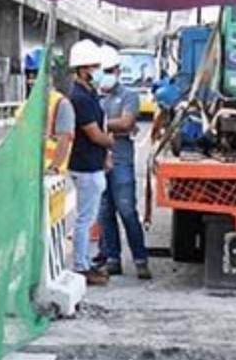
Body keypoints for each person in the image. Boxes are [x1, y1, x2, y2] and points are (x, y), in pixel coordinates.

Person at [93, 45, 152, 280]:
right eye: (100, 70)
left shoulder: (128, 95)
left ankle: (140, 260)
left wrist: (96, 126)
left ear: (117, 70)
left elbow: (127, 123)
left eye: (108, 70)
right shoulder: (94, 96)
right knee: (105, 213)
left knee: (126, 210)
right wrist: (105, 126)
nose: (104, 74)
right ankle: (113, 259)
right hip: (98, 162)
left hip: (121, 161)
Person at [66, 40, 115, 286]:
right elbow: (95, 134)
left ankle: (84, 263)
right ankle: (81, 266)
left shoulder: (89, 94)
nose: (100, 73)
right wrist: (111, 143)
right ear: (84, 69)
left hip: (92, 163)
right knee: (85, 220)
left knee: (87, 217)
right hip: (85, 165)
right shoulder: (80, 98)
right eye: (96, 67)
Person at [19, 48, 74, 175]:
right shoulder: (25, 106)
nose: (31, 81)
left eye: (36, 75)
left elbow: (64, 141)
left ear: (50, 76)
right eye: (30, 75)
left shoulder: (61, 104)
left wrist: (53, 169)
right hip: (27, 174)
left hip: (50, 178)